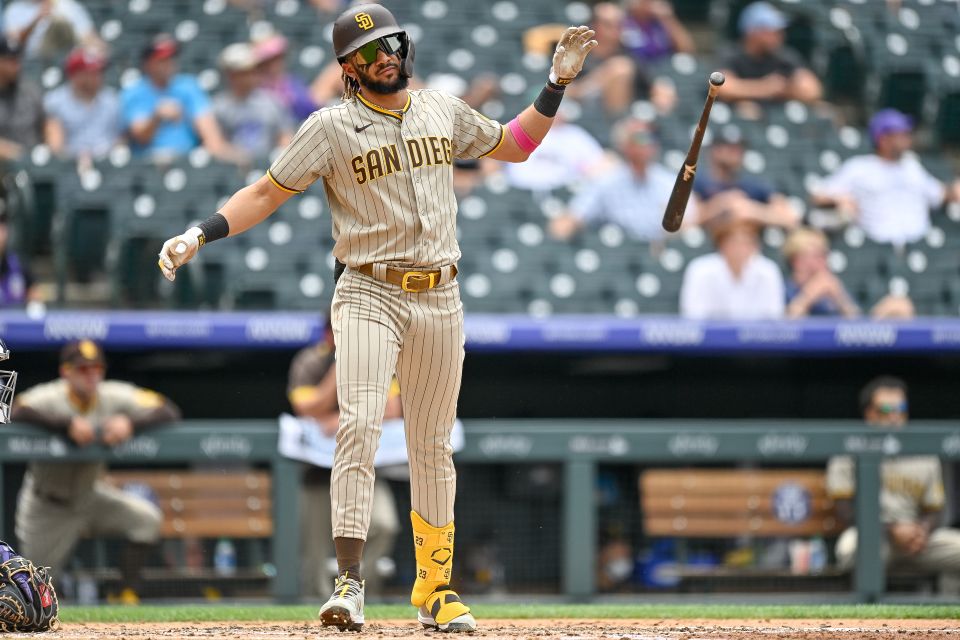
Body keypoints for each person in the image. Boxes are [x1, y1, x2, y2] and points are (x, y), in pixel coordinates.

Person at [157, 4, 597, 631]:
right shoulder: (329, 127)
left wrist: (556, 84)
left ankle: (435, 589)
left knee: (432, 448)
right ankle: (349, 584)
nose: (384, 55)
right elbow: (263, 193)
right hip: (369, 291)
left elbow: (515, 145)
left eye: (390, 43)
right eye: (368, 51)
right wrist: (200, 234)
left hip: (441, 295)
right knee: (358, 424)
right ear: (348, 68)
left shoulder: (440, 107)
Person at [10, 340, 181, 604]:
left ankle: (123, 594)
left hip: (90, 496)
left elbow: (168, 410)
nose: (92, 376)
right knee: (33, 593)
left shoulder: (112, 395)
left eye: (96, 368)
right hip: (47, 506)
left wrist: (130, 422)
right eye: (83, 369)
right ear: (66, 372)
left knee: (146, 520)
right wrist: (64, 424)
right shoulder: (50, 396)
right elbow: (15, 409)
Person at [288, 316, 400, 599]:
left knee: (385, 525)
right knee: (314, 549)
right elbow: (306, 408)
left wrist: (341, 419)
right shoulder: (310, 361)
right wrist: (341, 366)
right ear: (330, 335)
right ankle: (320, 604)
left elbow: (392, 409)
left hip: (364, 467)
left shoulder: (377, 355)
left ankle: (363, 593)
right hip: (317, 472)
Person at [826, 377, 960, 591]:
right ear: (870, 413)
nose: (895, 416)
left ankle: (948, 617)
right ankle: (866, 615)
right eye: (887, 409)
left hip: (917, 541)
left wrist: (921, 531)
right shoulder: (849, 448)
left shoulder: (923, 451)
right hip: (874, 535)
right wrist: (891, 530)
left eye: (901, 408)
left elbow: (935, 509)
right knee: (853, 550)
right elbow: (844, 510)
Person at [812, 109, 960, 247]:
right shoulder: (860, 167)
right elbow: (818, 195)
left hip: (920, 246)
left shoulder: (911, 166)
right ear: (882, 139)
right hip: (875, 247)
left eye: (906, 134)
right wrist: (839, 199)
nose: (906, 139)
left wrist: (954, 190)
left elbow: (940, 194)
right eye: (900, 134)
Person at [549, 118, 694, 241]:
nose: (648, 143)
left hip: (657, 249)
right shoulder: (606, 181)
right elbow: (573, 217)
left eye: (652, 137)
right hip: (616, 251)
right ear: (624, 145)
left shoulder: (668, 181)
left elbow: (689, 222)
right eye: (641, 138)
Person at [121, 33, 232, 160]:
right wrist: (157, 116)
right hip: (147, 163)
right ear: (147, 63)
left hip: (186, 160)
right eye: (162, 59)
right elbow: (141, 137)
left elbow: (210, 134)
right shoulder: (135, 91)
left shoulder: (188, 87)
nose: (169, 63)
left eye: (172, 57)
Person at [717, 2, 822, 111]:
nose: (779, 36)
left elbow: (812, 90)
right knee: (746, 109)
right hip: (739, 115)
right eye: (772, 31)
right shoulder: (732, 54)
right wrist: (765, 87)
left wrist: (785, 89)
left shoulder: (784, 56)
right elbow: (722, 88)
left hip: (777, 112)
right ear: (753, 31)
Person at [694, 125, 799, 230]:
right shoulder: (698, 182)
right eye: (730, 148)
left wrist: (751, 210)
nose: (737, 153)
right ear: (715, 150)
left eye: (740, 148)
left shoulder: (752, 184)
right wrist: (722, 204)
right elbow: (686, 221)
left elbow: (791, 218)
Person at [680, 218, 785, 319]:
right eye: (734, 242)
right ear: (721, 244)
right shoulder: (700, 270)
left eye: (747, 242)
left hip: (755, 337)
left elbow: (774, 317)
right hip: (711, 337)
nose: (740, 249)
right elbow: (692, 316)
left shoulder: (768, 271)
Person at [213, 42, 293, 162]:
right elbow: (215, 144)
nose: (250, 76)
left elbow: (285, 137)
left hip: (269, 166)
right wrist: (239, 157)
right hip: (231, 167)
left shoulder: (272, 102)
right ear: (230, 75)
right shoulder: (219, 106)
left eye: (252, 70)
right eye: (243, 72)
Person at [44, 46, 121, 161]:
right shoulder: (55, 101)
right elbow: (55, 146)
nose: (98, 76)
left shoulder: (111, 99)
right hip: (69, 164)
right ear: (76, 75)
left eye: (99, 72)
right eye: (92, 73)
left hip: (108, 162)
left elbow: (120, 139)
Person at [3, 0, 101, 60]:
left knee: (60, 23)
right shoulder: (14, 9)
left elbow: (91, 38)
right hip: (34, 60)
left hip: (71, 58)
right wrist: (37, 19)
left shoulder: (67, 5)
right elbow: (12, 43)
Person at [253, 34, 317, 122]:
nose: (274, 64)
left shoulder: (292, 82)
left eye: (278, 58)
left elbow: (310, 109)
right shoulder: (255, 87)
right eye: (269, 60)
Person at [0, 35, 43, 162]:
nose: (17, 66)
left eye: (17, 60)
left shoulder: (29, 91)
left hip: (33, 164)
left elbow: (48, 124)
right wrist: (17, 154)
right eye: (10, 60)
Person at [621, 0, 695, 64]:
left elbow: (687, 49)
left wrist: (668, 18)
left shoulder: (662, 22)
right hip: (637, 71)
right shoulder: (623, 22)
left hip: (663, 69)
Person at [0, 209, 41, 307]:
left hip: (13, 318)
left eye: (2, 226)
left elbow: (35, 293)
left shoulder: (19, 263)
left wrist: (33, 303)